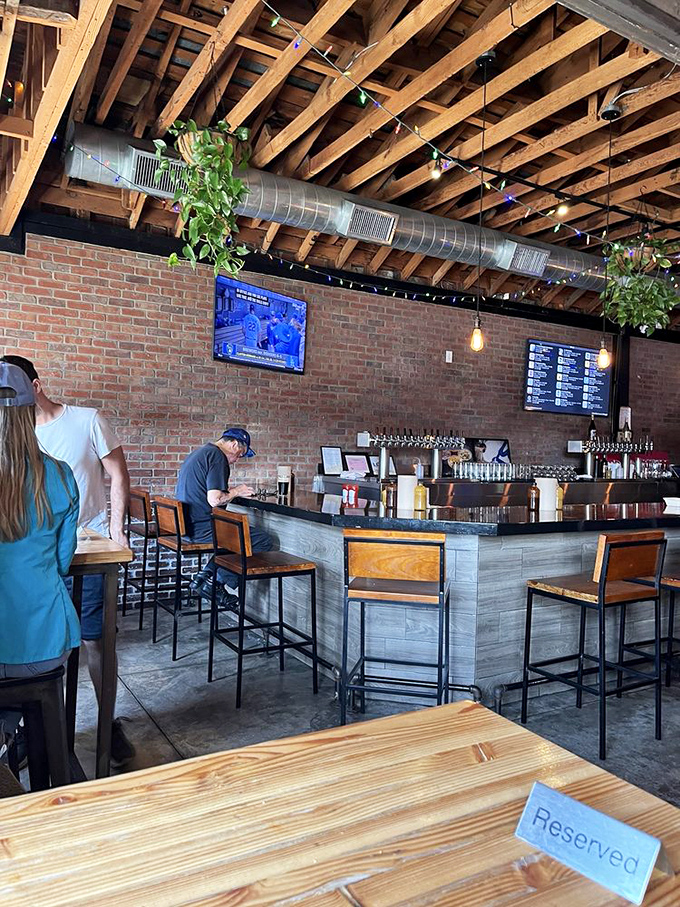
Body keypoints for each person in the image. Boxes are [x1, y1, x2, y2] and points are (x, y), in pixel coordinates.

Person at [1, 354, 135, 766]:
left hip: (89, 544)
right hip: (49, 589)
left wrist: (115, 531)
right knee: (53, 645)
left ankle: (98, 724)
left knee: (96, 639)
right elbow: (60, 561)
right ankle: (40, 737)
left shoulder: (87, 420)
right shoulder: (55, 474)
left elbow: (118, 475)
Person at [0, 364, 80, 752]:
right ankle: (20, 734)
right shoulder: (62, 476)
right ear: (31, 413)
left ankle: (6, 730)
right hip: (43, 648)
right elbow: (63, 563)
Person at [176, 427, 273, 602]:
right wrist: (236, 491)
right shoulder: (218, 457)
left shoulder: (201, 452)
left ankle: (205, 576)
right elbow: (215, 499)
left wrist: (231, 492)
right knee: (261, 540)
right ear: (234, 444)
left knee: (233, 536)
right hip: (200, 527)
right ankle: (215, 583)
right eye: (239, 455)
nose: (236, 460)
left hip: (187, 525)